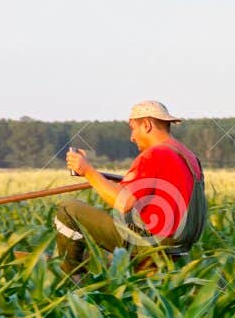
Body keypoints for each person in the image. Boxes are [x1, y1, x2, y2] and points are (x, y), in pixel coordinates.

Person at [56, 100, 206, 270]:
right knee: (110, 223)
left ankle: (72, 282)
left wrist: (87, 171)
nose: (132, 137)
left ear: (147, 125)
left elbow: (124, 203)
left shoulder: (155, 154)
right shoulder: (187, 155)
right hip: (180, 243)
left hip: (152, 241)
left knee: (68, 210)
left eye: (133, 128)